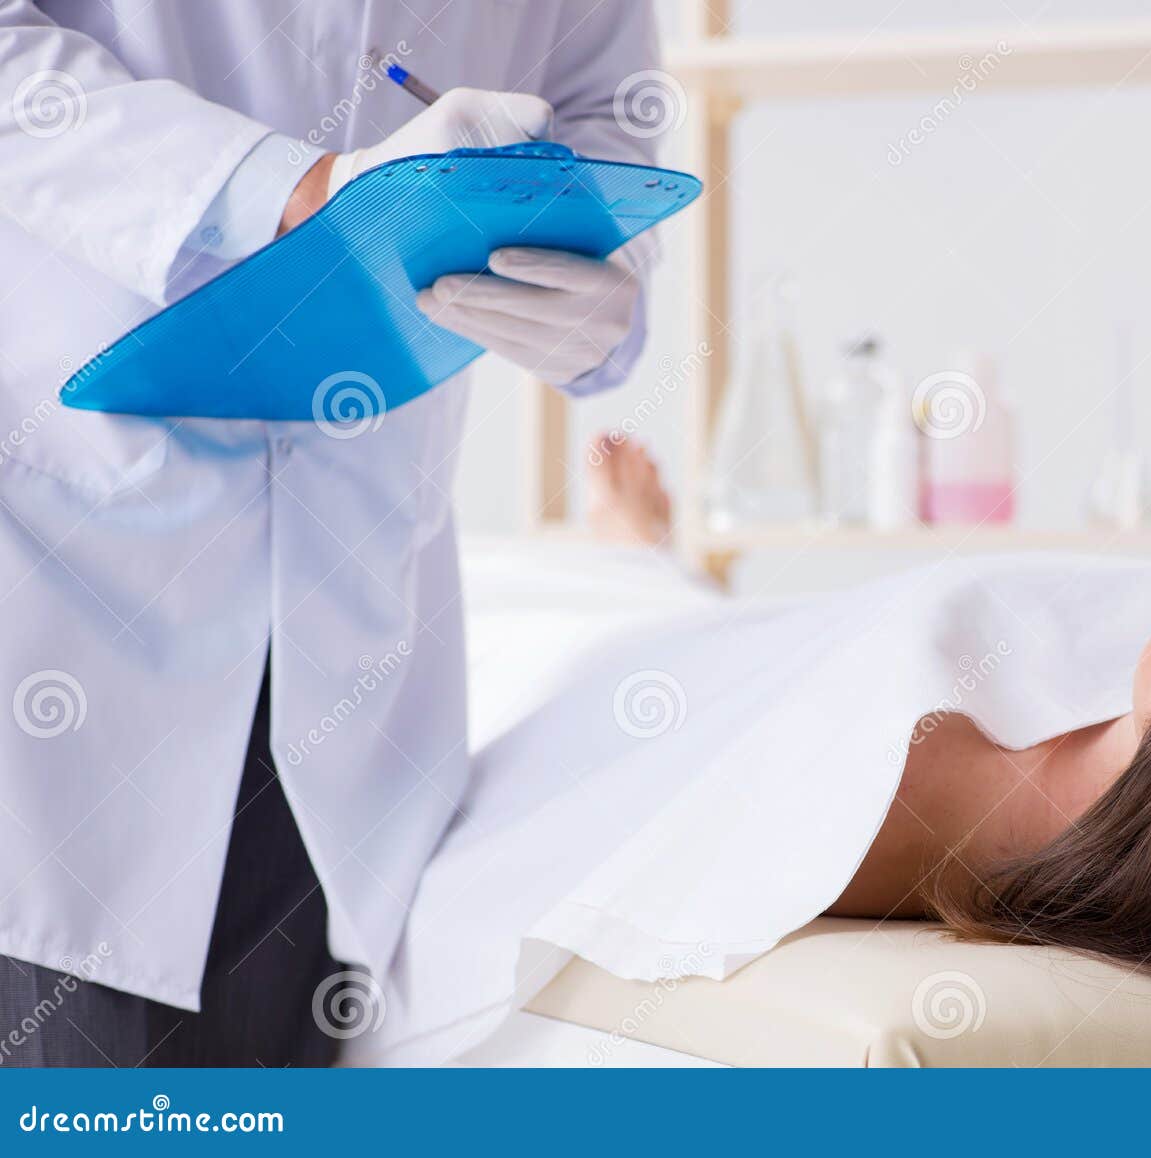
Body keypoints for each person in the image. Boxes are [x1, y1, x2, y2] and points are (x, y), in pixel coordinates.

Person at [365, 435, 1151, 1059]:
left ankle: (628, 569)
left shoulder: (828, 803)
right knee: (696, 622)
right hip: (758, 644)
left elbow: (508, 887)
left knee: (594, 625)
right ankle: (644, 567)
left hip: (630, 680)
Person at [0, 2, 661, 1066]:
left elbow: (607, 129)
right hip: (63, 574)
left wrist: (603, 307)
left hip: (352, 646)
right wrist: (294, 191)